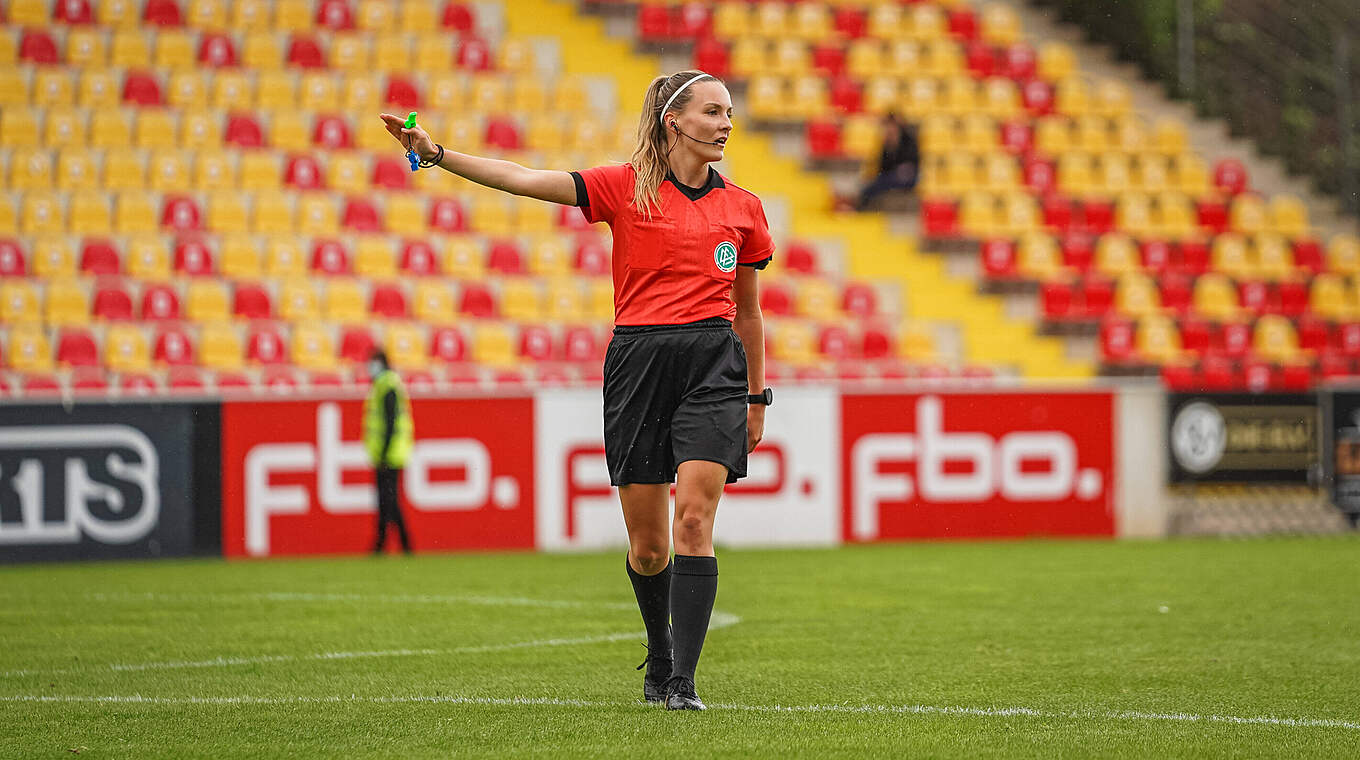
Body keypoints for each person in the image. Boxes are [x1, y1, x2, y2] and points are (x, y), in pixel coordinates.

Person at [380, 69, 774, 711]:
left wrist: (756, 396)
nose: (725, 122)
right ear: (675, 121)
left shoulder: (744, 208)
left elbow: (750, 312)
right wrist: (439, 154)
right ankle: (660, 652)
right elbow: (524, 178)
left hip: (713, 364)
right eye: (712, 111)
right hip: (639, 364)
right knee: (648, 548)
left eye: (729, 111)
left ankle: (683, 686)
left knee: (695, 519)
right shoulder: (621, 186)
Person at [364, 349, 414, 555]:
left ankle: (394, 543)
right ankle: (392, 543)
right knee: (387, 501)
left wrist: (384, 452)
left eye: (372, 362)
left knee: (389, 501)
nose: (369, 367)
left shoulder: (387, 386)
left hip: (390, 454)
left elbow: (390, 422)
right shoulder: (383, 385)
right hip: (386, 454)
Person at [855, 112, 920, 211]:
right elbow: (883, 166)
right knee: (874, 184)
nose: (890, 129)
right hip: (891, 177)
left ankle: (862, 207)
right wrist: (889, 148)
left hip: (907, 178)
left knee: (878, 184)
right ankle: (864, 207)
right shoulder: (886, 143)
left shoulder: (909, 140)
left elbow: (912, 163)